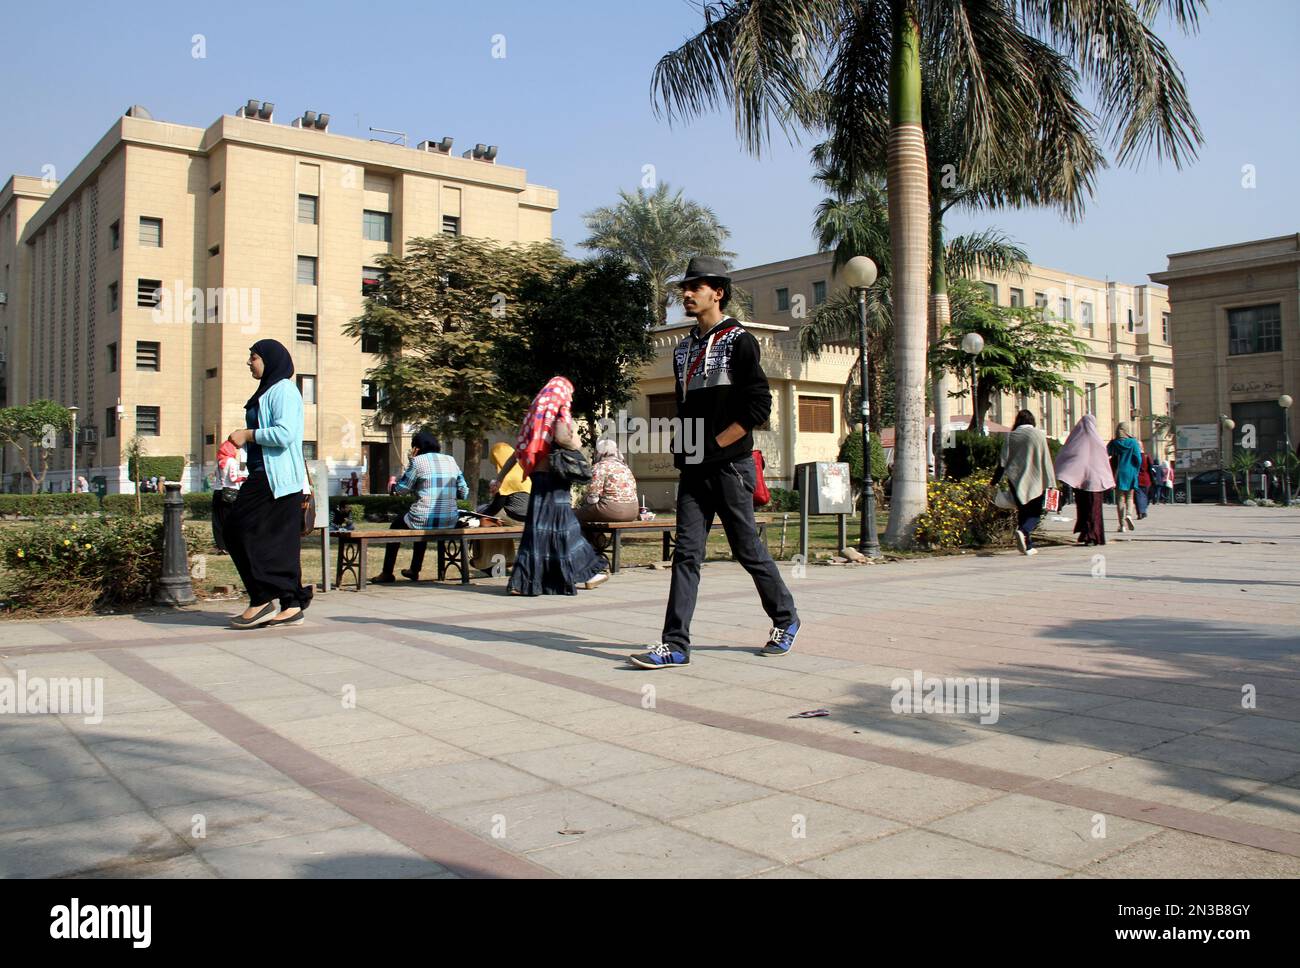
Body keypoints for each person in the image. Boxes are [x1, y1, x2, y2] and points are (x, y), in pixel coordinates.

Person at [630, 256, 798, 670]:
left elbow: (759, 404)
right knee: (687, 554)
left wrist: (717, 444)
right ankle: (675, 644)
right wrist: (684, 445)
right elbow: (687, 407)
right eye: (684, 289)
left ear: (717, 292)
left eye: (695, 288)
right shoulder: (684, 348)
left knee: (746, 549)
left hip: (730, 468)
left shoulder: (740, 340)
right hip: (694, 469)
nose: (686, 295)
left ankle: (786, 618)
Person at [223, 339, 312, 629]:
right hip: (266, 474)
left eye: (254, 357)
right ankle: (292, 603)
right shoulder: (270, 390)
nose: (250, 362)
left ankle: (262, 597)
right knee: (277, 541)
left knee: (235, 529)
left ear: (270, 360)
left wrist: (247, 435)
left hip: (275, 478)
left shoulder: (283, 390)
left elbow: (285, 434)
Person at [507, 376, 608, 596]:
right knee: (564, 528)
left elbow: (518, 450)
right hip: (555, 478)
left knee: (539, 531)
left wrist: (500, 478)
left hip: (539, 476)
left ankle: (525, 582)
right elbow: (562, 437)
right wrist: (577, 444)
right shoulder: (559, 409)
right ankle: (589, 573)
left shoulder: (537, 415)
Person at [370, 431, 468, 584]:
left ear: (416, 447)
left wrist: (395, 483)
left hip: (423, 518)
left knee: (398, 524)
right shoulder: (451, 460)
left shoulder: (417, 462)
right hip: (449, 519)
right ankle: (414, 570)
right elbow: (464, 492)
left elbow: (401, 490)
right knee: (421, 521)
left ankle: (387, 573)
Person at [991, 410, 1056, 557]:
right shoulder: (1038, 434)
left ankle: (1028, 546)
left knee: (1023, 511)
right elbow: (1046, 459)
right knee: (1035, 512)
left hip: (1015, 479)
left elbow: (1002, 462)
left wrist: (994, 481)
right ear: (1032, 420)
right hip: (1036, 480)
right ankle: (1024, 531)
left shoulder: (1010, 436)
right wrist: (1051, 481)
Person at [1055, 415, 1116, 546]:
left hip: (1080, 482)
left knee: (1083, 509)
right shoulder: (1098, 441)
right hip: (1095, 483)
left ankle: (1087, 534)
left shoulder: (1075, 441)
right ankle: (1093, 535)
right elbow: (1104, 462)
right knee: (1094, 509)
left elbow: (1065, 456)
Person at [576, 438, 639, 534]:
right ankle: (598, 541)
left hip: (612, 511)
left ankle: (589, 544)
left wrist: (584, 500)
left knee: (574, 514)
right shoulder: (625, 468)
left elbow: (593, 499)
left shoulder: (599, 467)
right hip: (633, 512)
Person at [211, 440, 247, 555]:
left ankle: (221, 545)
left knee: (218, 521)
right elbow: (233, 478)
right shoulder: (231, 461)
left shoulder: (218, 462)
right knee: (231, 519)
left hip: (218, 492)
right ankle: (231, 544)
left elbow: (216, 477)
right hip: (230, 492)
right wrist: (243, 478)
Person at [1108, 422, 1143, 532]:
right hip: (1131, 471)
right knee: (1129, 497)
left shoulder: (1114, 443)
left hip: (1119, 472)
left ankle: (1122, 525)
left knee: (1120, 499)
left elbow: (1106, 452)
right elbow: (1138, 458)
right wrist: (1136, 470)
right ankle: (1129, 514)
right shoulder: (1133, 442)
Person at [1135, 449, 1154, 518]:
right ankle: (1143, 511)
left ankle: (1140, 512)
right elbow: (1151, 468)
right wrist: (1153, 480)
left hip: (1137, 479)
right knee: (1145, 496)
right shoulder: (1146, 456)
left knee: (1138, 496)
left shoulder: (1134, 456)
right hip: (1147, 479)